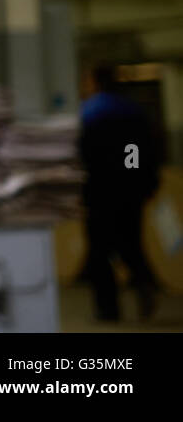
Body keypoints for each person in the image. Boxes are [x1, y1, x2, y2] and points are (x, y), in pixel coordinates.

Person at [78, 62, 161, 322]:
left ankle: (108, 309)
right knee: (131, 242)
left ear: (94, 82)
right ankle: (144, 283)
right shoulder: (135, 111)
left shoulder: (89, 112)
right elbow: (149, 150)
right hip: (131, 189)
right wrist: (148, 183)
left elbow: (83, 154)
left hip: (100, 191)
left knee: (100, 250)